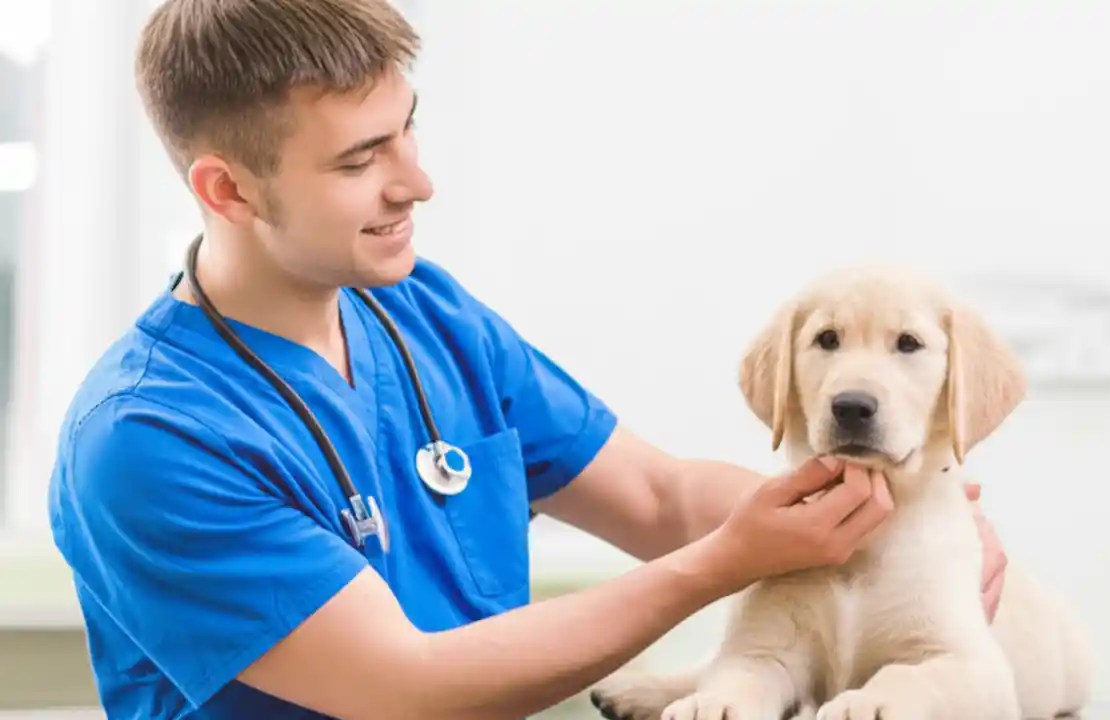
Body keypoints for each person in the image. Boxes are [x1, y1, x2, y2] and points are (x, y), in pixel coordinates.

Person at [45, 1, 1008, 718]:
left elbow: (663, 499)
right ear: (229, 189)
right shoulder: (149, 438)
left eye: (408, 127)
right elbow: (404, 688)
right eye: (359, 160)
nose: (416, 181)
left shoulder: (425, 316)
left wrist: (891, 541)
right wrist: (729, 563)